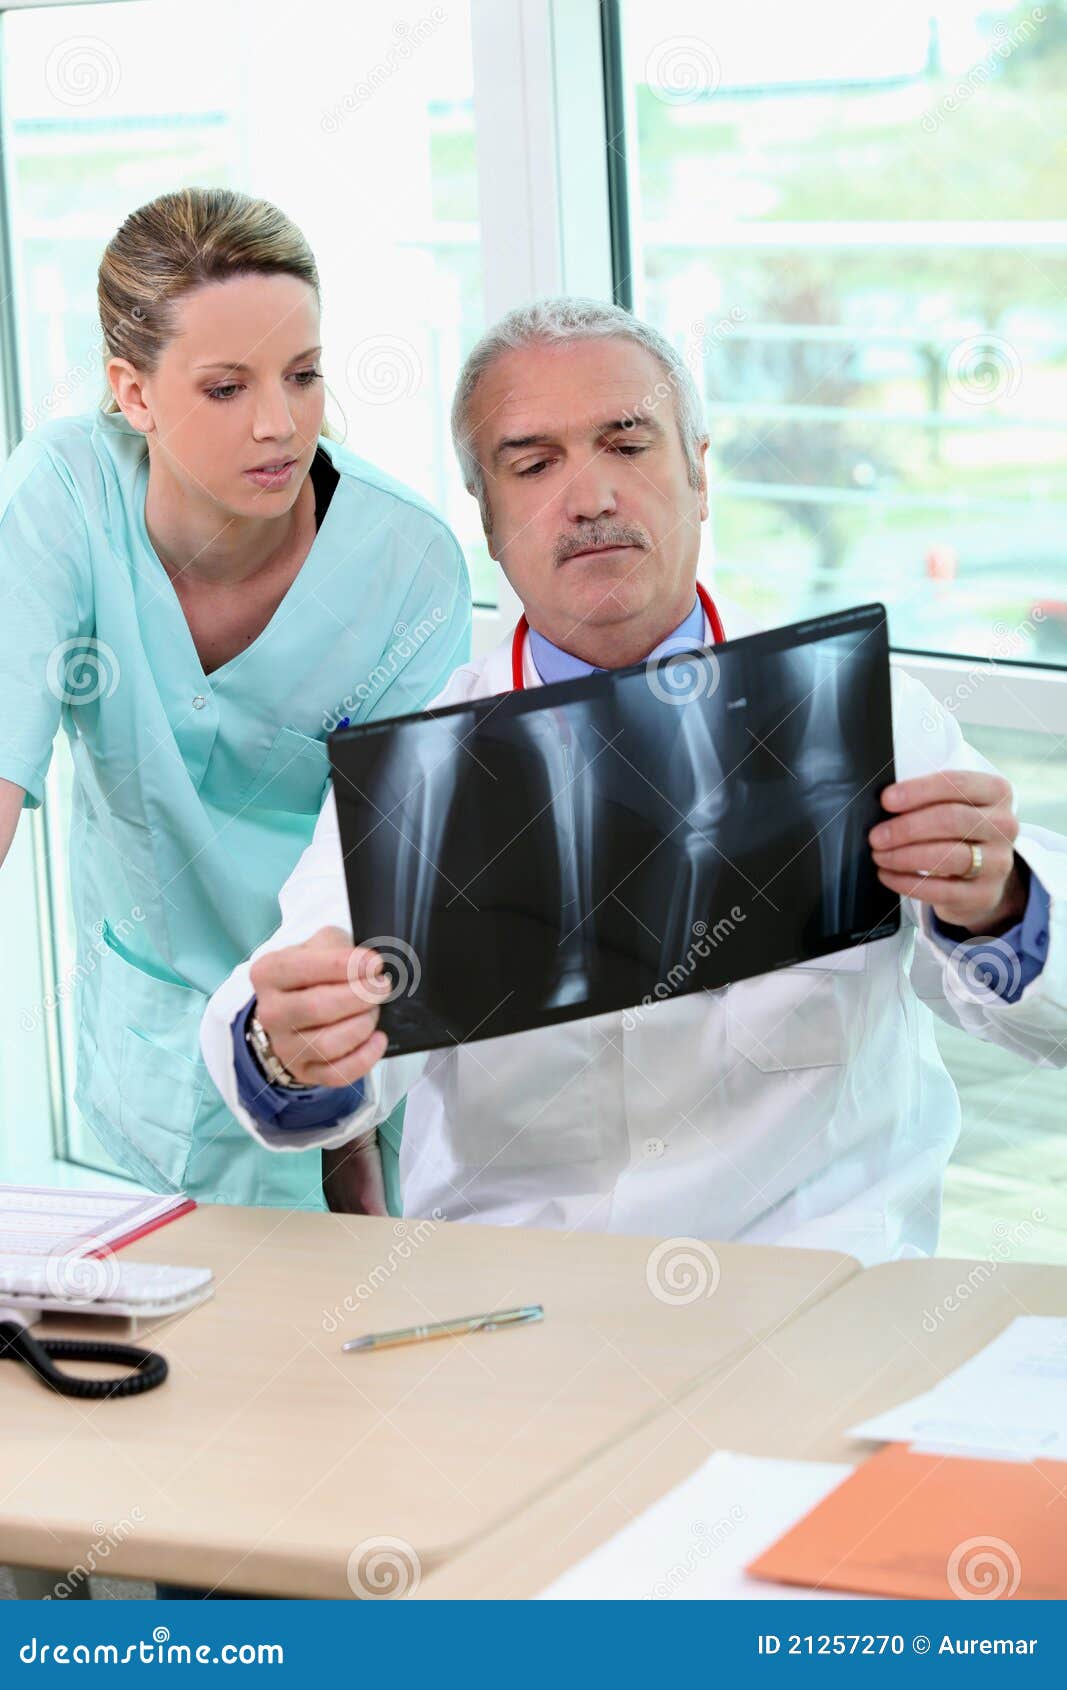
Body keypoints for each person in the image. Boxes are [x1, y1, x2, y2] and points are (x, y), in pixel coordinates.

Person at [200, 298, 1064, 1263]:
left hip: (827, 1288)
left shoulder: (864, 711)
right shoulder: (423, 774)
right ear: (487, 520)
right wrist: (291, 1046)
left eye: (626, 445)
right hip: (528, 1305)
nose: (589, 498)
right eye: (533, 466)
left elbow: (1051, 1016)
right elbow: (293, 1031)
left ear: (698, 475)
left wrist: (997, 906)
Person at [0, 187, 470, 1212]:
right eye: (224, 387)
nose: (278, 423)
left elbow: (394, 867)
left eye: (302, 376)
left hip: (350, 1014)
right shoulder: (62, 501)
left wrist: (351, 1142)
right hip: (156, 1038)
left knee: (360, 1318)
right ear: (133, 393)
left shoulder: (404, 565)